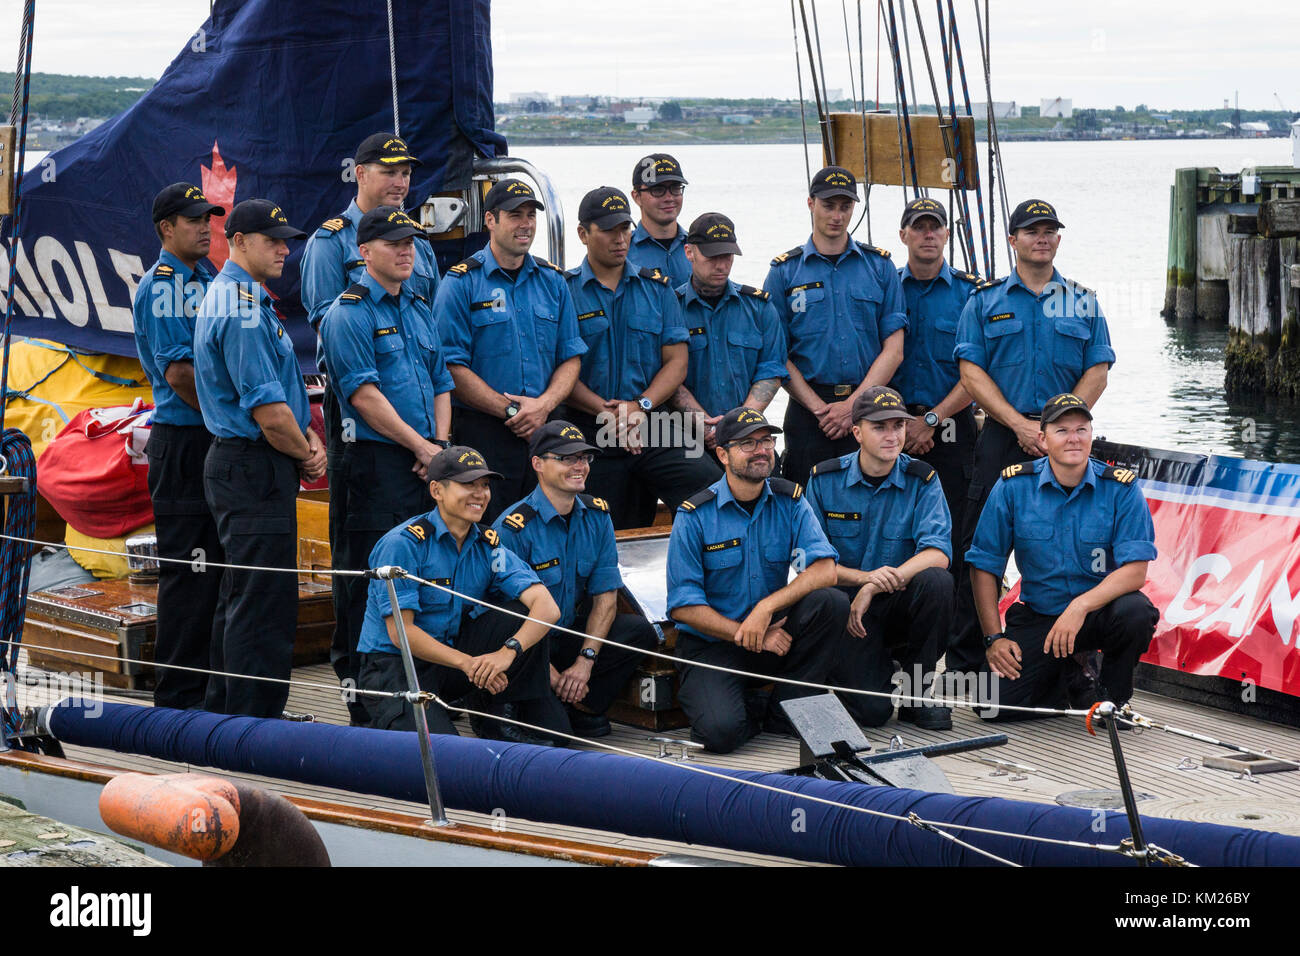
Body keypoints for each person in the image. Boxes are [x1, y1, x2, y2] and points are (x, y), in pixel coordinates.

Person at [299, 131, 440, 716]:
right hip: (364, 432)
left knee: (419, 559)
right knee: (363, 563)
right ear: (358, 173)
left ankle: (417, 676)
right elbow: (336, 342)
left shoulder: (420, 247)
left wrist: (436, 442)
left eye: (406, 171)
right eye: (388, 171)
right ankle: (361, 684)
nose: (400, 181)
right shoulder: (331, 246)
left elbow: (430, 342)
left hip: (424, 440)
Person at [948, 199, 1116, 674]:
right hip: (1003, 433)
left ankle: (1078, 662)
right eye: (1031, 231)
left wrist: (1058, 429)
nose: (1041, 238)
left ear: (1058, 239)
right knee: (979, 548)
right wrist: (1021, 426)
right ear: (1013, 239)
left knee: (1078, 545)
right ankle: (965, 664)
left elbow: (1098, 371)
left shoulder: (1082, 300)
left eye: (1049, 231)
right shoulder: (984, 301)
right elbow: (971, 373)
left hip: (1064, 441)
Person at [318, 206, 454, 725]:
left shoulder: (419, 307)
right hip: (374, 463)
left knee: (422, 572)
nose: (406, 252)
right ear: (364, 252)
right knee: (364, 579)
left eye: (411, 244)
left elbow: (442, 380)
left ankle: (423, 687)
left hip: (426, 459)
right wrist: (425, 451)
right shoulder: (348, 313)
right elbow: (363, 396)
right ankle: (363, 698)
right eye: (395, 244)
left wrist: (438, 444)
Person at [194, 199, 324, 717]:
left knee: (241, 594)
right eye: (272, 240)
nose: (284, 249)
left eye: (286, 239)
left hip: (241, 463)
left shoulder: (235, 297)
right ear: (239, 241)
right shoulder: (243, 309)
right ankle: (257, 725)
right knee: (263, 600)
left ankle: (229, 714)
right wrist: (309, 454)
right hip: (253, 463)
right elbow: (269, 412)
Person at [357, 446, 568, 745]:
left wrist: (504, 654)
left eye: (484, 485)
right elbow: (401, 633)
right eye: (468, 484)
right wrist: (469, 664)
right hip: (394, 668)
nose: (480, 494)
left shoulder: (487, 544)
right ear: (436, 490)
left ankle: (495, 714)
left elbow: (547, 608)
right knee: (447, 755)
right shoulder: (403, 544)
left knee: (558, 734)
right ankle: (390, 717)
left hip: (450, 661)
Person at [666, 406, 848, 754]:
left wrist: (767, 608)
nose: (762, 450)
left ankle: (788, 710)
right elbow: (683, 607)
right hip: (714, 645)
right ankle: (756, 709)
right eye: (748, 444)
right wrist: (748, 633)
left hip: (773, 635)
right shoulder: (694, 515)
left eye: (766, 441)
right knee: (720, 734)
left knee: (831, 602)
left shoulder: (790, 500)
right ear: (722, 454)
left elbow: (825, 568)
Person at [965, 394, 1158, 719]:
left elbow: (1135, 571)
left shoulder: (1121, 489)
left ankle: (1111, 701)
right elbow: (984, 564)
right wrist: (993, 638)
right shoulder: (1014, 485)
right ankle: (1070, 675)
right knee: (989, 704)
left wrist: (1080, 607)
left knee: (1136, 611)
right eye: (1062, 430)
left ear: (1091, 435)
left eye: (1081, 430)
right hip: (1040, 616)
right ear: (1042, 438)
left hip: (1098, 613)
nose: (1073, 438)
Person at [563, 186, 721, 528]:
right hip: (589, 427)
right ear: (582, 234)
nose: (620, 238)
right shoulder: (563, 291)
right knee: (595, 522)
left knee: (714, 487)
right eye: (608, 230)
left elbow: (677, 362)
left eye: (625, 228)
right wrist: (609, 414)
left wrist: (640, 407)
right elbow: (560, 371)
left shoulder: (657, 288)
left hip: (652, 421)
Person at [493, 420, 658, 737]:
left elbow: (606, 597)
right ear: (538, 464)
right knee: (554, 735)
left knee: (639, 631)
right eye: (567, 458)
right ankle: (517, 705)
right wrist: (551, 674)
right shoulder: (513, 528)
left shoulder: (597, 516)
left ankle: (579, 703)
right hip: (524, 647)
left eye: (584, 458)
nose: (579, 466)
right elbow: (504, 617)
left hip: (566, 635)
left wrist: (585, 662)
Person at [436, 178, 585, 523]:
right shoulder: (460, 284)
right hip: (485, 431)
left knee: (551, 528)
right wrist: (513, 410)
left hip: (547, 429)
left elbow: (570, 356)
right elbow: (450, 368)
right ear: (490, 220)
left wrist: (543, 407)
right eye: (515, 215)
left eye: (531, 215)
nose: (526, 224)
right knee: (489, 533)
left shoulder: (553, 282)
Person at [804, 386, 953, 729]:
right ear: (856, 432)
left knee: (937, 584)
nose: (892, 435)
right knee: (871, 715)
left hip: (899, 600)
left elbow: (938, 553)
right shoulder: (824, 479)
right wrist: (863, 581)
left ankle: (917, 694)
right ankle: (864, 672)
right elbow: (810, 563)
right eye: (879, 427)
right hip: (850, 610)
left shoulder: (923, 479)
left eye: (898, 426)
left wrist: (877, 584)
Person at [134, 182, 226, 710]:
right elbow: (180, 374)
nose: (205, 226)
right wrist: (234, 417)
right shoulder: (163, 284)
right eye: (193, 220)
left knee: (218, 571)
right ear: (166, 229)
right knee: (189, 576)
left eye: (208, 218)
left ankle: (213, 696)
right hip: (184, 440)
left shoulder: (207, 277)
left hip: (210, 435)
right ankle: (177, 702)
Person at [764, 166, 908, 487]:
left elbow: (894, 350)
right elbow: (776, 353)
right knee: (803, 502)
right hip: (808, 409)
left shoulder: (880, 267)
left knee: (873, 498)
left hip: (870, 407)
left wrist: (852, 406)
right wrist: (820, 409)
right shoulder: (784, 273)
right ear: (810, 203)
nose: (837, 216)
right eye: (828, 206)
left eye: (845, 207)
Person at [890, 197, 980, 567]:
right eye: (919, 227)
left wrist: (930, 422)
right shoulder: (887, 288)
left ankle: (959, 624)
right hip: (891, 426)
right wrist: (902, 423)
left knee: (958, 531)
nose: (928, 235)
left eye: (935, 227)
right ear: (903, 235)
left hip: (952, 426)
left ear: (946, 234)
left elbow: (977, 371)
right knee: (895, 528)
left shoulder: (971, 293)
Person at [672, 212, 788, 455]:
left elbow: (771, 370)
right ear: (689, 252)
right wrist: (705, 426)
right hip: (688, 440)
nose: (721, 265)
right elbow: (667, 377)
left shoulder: (759, 307)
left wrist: (740, 426)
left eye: (727, 256)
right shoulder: (671, 308)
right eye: (712, 256)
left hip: (748, 435)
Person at [629, 153, 690, 286]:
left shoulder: (700, 247)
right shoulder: (622, 253)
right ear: (637, 197)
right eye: (657, 190)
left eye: (675, 188)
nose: (669, 198)